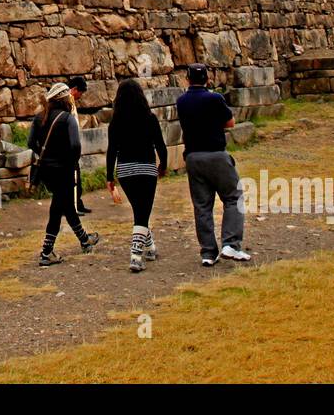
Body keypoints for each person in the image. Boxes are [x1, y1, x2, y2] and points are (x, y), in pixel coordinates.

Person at [176, 64, 250, 266]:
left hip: (193, 156)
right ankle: (231, 243)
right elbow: (230, 122)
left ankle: (208, 252)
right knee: (234, 197)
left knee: (202, 206)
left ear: (188, 79)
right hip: (216, 154)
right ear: (207, 79)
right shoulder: (215, 98)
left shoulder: (181, 101)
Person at [30, 83, 99, 265]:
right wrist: (70, 162)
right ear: (64, 99)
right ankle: (47, 251)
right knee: (57, 207)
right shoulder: (68, 119)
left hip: (46, 170)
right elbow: (75, 145)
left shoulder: (39, 118)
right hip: (64, 169)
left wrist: (46, 155)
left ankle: (84, 240)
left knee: (66, 203)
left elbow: (31, 143)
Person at [106, 79, 168, 272]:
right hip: (146, 169)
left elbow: (111, 151)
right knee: (142, 212)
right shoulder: (150, 118)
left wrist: (110, 177)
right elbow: (160, 145)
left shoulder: (115, 122)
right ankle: (135, 256)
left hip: (125, 170)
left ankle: (150, 249)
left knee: (140, 210)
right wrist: (163, 165)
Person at [67, 76, 91, 214]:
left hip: (73, 143)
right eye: (80, 92)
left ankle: (78, 203)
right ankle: (72, 205)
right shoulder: (67, 102)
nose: (80, 96)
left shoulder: (70, 101)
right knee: (73, 177)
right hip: (69, 145)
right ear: (75, 89)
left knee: (76, 176)